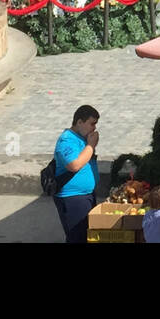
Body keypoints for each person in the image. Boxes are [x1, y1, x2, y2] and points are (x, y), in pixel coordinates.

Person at [53, 104, 100, 244]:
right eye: (92, 124)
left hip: (85, 195)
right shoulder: (67, 140)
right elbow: (74, 165)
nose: (94, 128)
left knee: (87, 235)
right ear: (79, 122)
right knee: (77, 237)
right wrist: (91, 145)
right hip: (72, 198)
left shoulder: (81, 138)